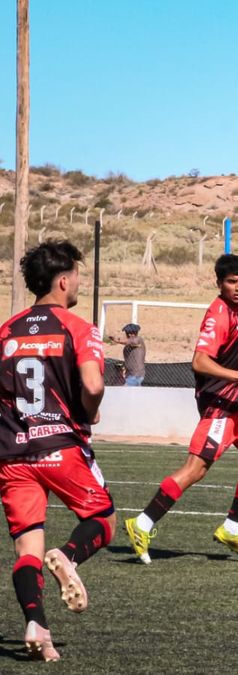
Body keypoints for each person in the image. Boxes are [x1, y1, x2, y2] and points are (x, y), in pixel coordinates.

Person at [0, 241, 115, 661]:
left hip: (13, 452)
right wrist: (91, 411)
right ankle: (68, 556)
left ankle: (37, 626)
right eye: (77, 276)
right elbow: (94, 385)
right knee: (103, 519)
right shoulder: (78, 327)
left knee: (25, 548)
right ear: (63, 280)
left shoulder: (7, 330)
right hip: (61, 446)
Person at [124, 254, 238, 563]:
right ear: (218, 283)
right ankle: (142, 523)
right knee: (196, 469)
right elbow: (200, 361)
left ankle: (231, 528)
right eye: (231, 282)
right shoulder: (219, 314)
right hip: (220, 405)